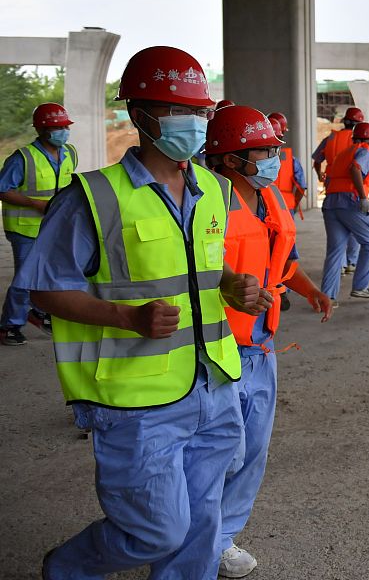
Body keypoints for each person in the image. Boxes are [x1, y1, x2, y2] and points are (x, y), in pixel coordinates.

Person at [22, 45, 268, 578]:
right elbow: (42, 289)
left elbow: (199, 271)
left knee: (204, 521)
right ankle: (67, 567)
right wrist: (127, 318)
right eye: (177, 110)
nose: (194, 122)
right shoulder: (93, 196)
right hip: (139, 398)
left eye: (200, 112)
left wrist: (232, 286)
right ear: (139, 116)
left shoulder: (215, 190)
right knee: (157, 530)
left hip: (215, 382)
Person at [204, 105, 333, 578]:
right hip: (216, 348)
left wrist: (311, 290)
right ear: (233, 159)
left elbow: (283, 263)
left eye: (273, 152)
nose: (274, 160)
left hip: (261, 348)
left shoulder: (272, 199)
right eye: (264, 152)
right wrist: (224, 282)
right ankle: (193, 537)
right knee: (222, 453)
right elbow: (184, 266)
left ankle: (220, 539)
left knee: (252, 455)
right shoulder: (204, 201)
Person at [0, 103, 78, 345]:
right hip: (24, 228)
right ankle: (9, 326)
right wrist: (34, 204)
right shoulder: (23, 157)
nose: (64, 131)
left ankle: (38, 312)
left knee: (49, 275)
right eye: (58, 127)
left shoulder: (70, 153)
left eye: (65, 126)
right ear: (43, 130)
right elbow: (2, 189)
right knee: (26, 278)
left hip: (54, 226)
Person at [320, 121, 369, 302]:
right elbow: (356, 168)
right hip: (349, 202)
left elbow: (331, 179)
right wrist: (363, 197)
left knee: (335, 251)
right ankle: (361, 287)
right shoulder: (365, 151)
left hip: (331, 203)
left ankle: (328, 297)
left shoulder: (343, 153)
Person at [313, 106, 366, 275]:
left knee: (337, 230)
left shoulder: (331, 138)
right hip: (353, 187)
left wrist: (320, 174)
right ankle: (352, 261)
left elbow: (316, 160)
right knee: (353, 225)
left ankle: (341, 264)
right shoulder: (359, 141)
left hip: (332, 185)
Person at [267, 112, 307, 216]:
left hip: (263, 206)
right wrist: (296, 204)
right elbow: (301, 186)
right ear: (283, 133)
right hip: (285, 207)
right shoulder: (291, 160)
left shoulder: (252, 158)